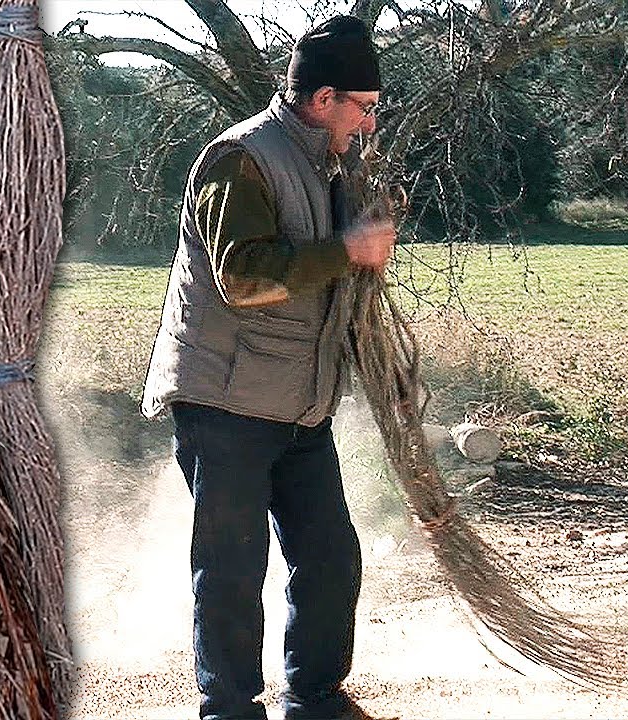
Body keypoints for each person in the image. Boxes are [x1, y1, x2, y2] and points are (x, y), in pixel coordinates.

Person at [140, 15, 396, 720]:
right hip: (225, 405)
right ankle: (229, 711)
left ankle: (314, 702)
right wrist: (349, 251)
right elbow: (244, 280)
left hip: (298, 407)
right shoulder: (240, 158)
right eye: (364, 109)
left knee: (330, 560)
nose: (369, 125)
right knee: (230, 573)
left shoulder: (328, 162)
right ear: (323, 100)